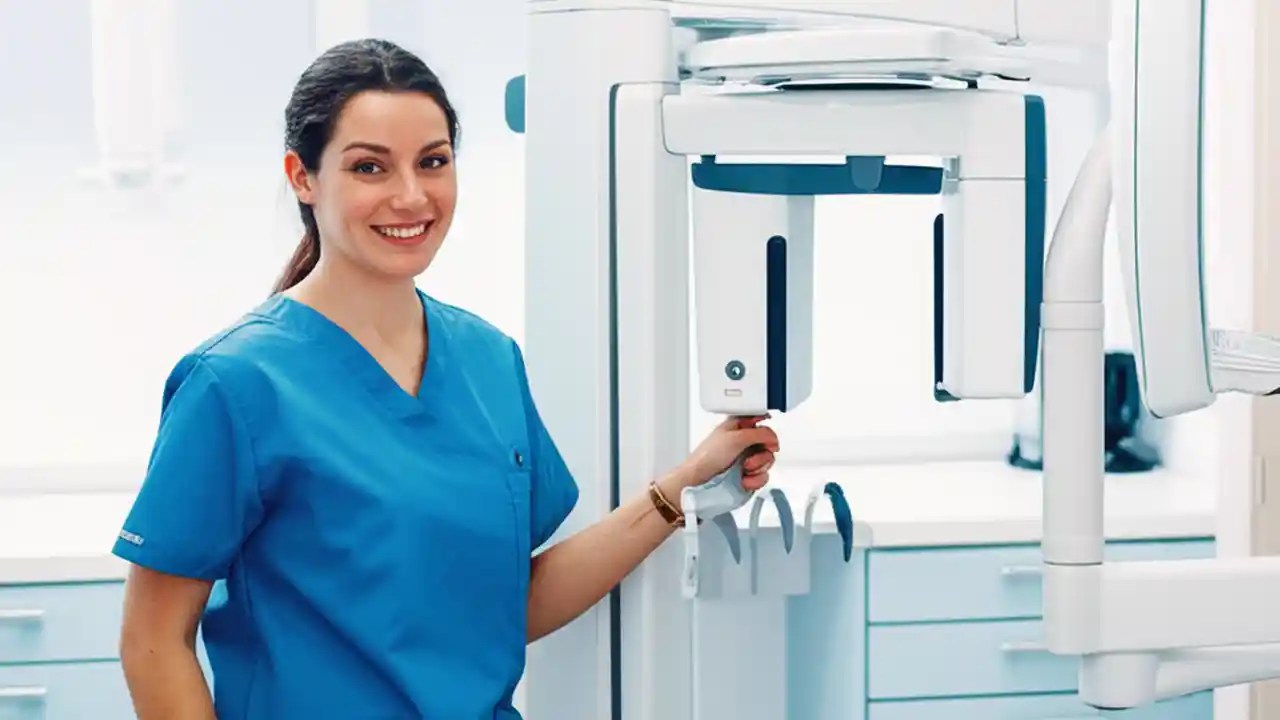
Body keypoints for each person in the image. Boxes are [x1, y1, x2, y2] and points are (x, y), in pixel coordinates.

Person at [112, 38, 779, 720]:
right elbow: (153, 638)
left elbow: (502, 604)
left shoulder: (489, 360)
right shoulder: (236, 384)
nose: (410, 196)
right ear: (302, 177)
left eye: (433, 162)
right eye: (370, 167)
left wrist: (680, 489)